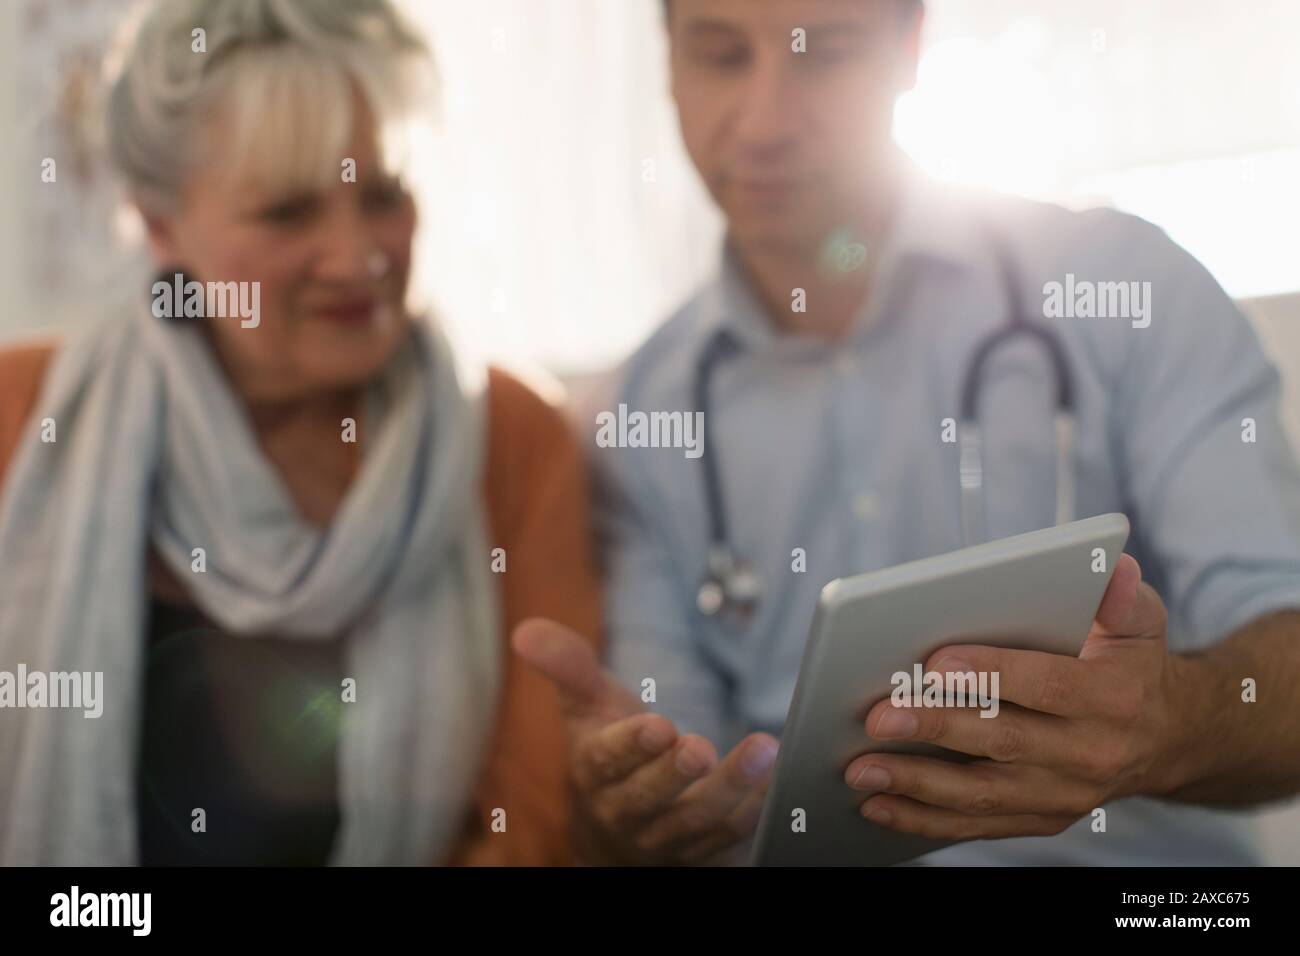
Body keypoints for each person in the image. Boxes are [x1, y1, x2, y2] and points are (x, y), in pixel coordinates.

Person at [514, 0, 1300, 865]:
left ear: (910, 47)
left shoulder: (1129, 291)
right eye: (721, 54)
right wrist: (637, 803)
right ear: (667, 62)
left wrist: (1168, 725)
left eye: (827, 55)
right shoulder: (632, 419)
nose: (766, 122)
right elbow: (686, 760)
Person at [0, 0, 600, 866]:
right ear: (161, 226)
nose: (357, 257)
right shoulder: (25, 417)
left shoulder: (510, 438)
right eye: (288, 212)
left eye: (383, 195)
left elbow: (533, 824)